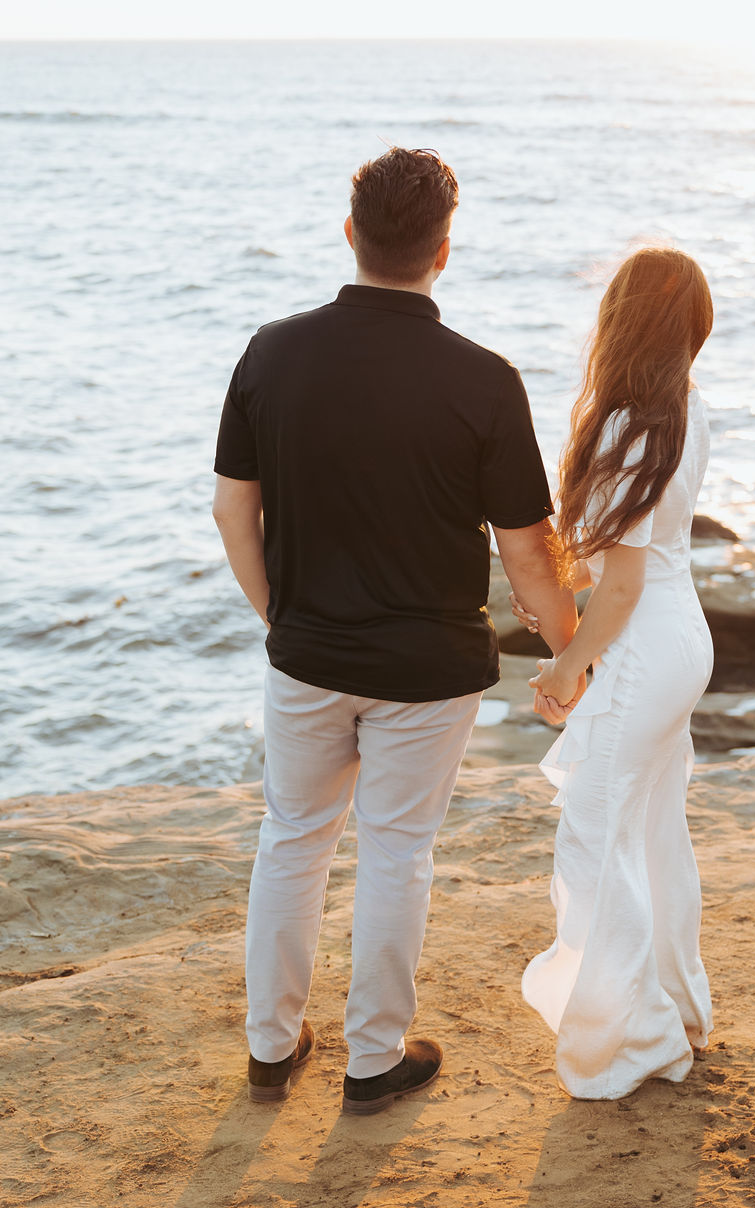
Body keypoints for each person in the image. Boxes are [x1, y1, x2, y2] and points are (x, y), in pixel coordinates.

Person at [212, 147, 579, 1112]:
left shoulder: (270, 351)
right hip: (428, 667)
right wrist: (573, 651)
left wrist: (279, 618)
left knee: (293, 839)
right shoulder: (487, 380)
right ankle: (372, 1059)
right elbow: (530, 553)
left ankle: (269, 1046)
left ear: (350, 236)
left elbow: (230, 512)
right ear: (443, 252)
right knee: (394, 851)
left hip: (307, 654)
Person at [517, 246, 715, 1100]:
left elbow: (623, 582)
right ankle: (674, 1005)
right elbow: (631, 564)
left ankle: (630, 1039)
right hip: (684, 638)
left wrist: (569, 663)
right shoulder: (684, 410)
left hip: (643, 648)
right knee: (650, 831)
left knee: (596, 831)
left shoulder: (626, 424)